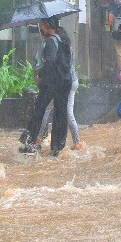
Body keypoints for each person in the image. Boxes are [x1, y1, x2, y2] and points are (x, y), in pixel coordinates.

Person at [18, 17, 73, 156]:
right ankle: (57, 148)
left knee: (38, 111)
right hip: (65, 81)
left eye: (42, 25)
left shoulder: (50, 41)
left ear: (48, 25)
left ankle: (29, 144)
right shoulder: (64, 40)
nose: (41, 28)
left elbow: (50, 62)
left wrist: (40, 73)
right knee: (61, 113)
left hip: (51, 82)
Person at [37, 51, 84, 150]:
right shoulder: (65, 44)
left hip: (63, 82)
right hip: (71, 81)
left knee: (47, 109)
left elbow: (52, 64)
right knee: (67, 112)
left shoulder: (55, 43)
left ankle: (38, 139)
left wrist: (42, 73)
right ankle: (77, 143)